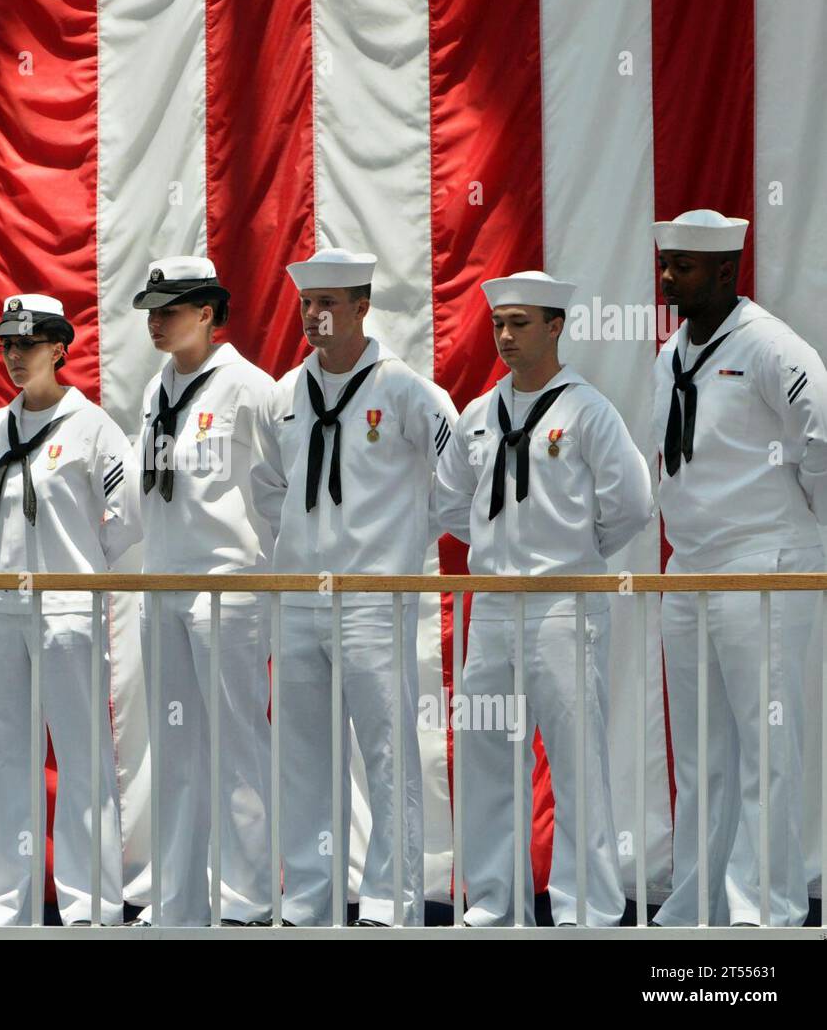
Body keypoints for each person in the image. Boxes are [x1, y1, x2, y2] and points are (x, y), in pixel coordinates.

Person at [435, 270, 653, 925]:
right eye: (499, 323)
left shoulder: (586, 410)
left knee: (576, 758)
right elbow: (451, 499)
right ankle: (496, 904)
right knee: (486, 756)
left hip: (563, 603)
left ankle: (586, 908)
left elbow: (632, 504)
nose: (505, 335)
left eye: (521, 322)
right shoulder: (480, 413)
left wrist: (575, 558)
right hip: (495, 605)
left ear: (556, 325)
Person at [251, 248, 458, 926]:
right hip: (302, 594)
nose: (315, 316)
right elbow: (268, 490)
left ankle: (389, 902)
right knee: (304, 755)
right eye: (308, 304)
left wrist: (406, 541)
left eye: (330, 303)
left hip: (373, 596)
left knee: (388, 751)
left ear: (363, 306)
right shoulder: (285, 394)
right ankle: (309, 898)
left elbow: (458, 477)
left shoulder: (404, 390)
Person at [650, 210, 827, 927]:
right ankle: (701, 904)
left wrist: (796, 525)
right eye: (666, 264)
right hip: (689, 566)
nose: (668, 278)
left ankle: (768, 910)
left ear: (727, 271)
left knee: (768, 746)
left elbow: (821, 436)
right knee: (700, 756)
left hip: (764, 563)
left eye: (684, 266)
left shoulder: (770, 347)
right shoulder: (671, 355)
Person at [0, 293, 141, 926]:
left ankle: (90, 904)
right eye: (7, 345)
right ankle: (6, 904)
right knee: (6, 757)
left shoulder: (92, 427)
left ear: (58, 350)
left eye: (28, 344)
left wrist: (80, 566)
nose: (15, 356)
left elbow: (126, 518)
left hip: (67, 605)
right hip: (0, 608)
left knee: (80, 756)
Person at [132, 256, 274, 926]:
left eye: (170, 307)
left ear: (207, 314)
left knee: (237, 745)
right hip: (162, 582)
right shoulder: (154, 390)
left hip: (225, 586)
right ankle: (177, 902)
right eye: (152, 308)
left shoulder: (249, 388)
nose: (156, 319)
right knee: (175, 750)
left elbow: (279, 489)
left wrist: (266, 570)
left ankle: (246, 902)